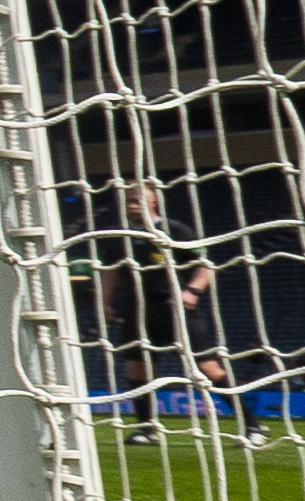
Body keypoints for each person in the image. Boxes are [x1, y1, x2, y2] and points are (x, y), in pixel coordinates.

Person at [88, 179, 253, 446]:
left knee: (208, 367)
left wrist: (192, 291)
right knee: (138, 369)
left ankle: (252, 426)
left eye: (135, 199)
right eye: (127, 200)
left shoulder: (174, 230)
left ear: (152, 201)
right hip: (138, 311)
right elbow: (113, 271)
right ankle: (146, 429)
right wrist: (105, 301)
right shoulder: (121, 237)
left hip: (173, 308)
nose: (130, 205)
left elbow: (205, 265)